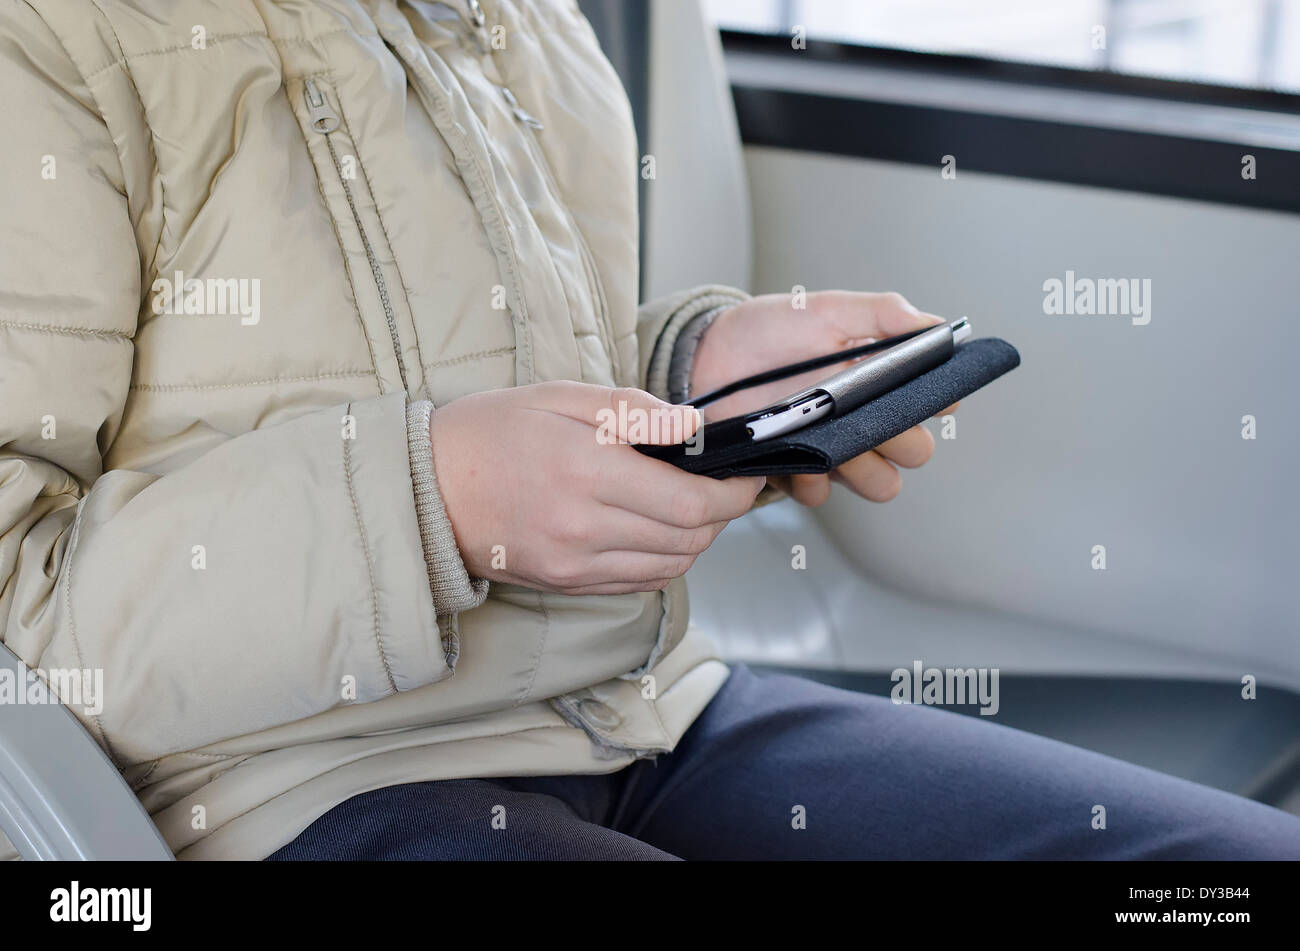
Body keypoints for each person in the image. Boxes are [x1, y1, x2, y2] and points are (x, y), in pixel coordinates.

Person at [2, 0, 1297, 861]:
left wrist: (693, 375)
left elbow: (488, 359)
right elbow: (22, 616)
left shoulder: (527, 21)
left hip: (644, 706)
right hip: (281, 790)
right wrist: (435, 499)